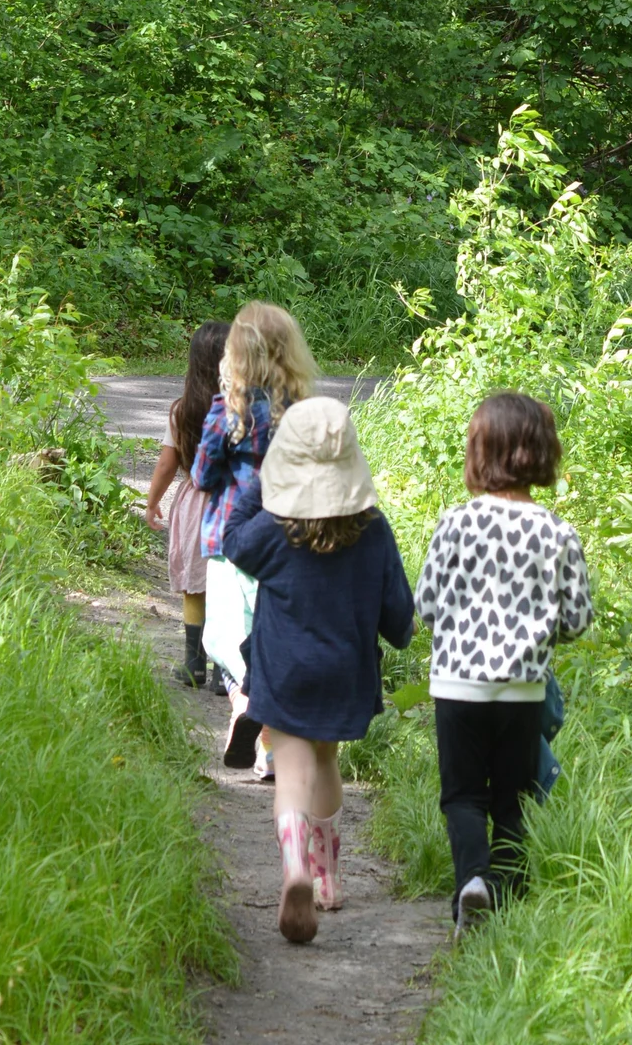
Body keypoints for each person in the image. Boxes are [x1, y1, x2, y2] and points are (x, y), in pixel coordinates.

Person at [223, 396, 415, 944]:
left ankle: (295, 870)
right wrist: (401, 631)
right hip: (346, 671)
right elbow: (398, 616)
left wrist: (262, 485)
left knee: (291, 767)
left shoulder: (276, 528)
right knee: (326, 763)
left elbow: (233, 542)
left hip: (284, 669)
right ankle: (329, 878)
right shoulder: (372, 529)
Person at [415, 391, 593, 936]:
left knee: (463, 796)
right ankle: (508, 909)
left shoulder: (454, 524)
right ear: (541, 454)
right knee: (514, 801)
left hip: (457, 686)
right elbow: (577, 619)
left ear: (478, 454)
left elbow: (424, 604)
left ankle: (472, 882)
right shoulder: (557, 533)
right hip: (521, 690)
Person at [190, 300, 316, 766]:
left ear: (235, 357)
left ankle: (246, 699)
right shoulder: (303, 412)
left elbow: (202, 475)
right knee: (271, 637)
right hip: (287, 539)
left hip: (229, 536)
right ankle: (269, 750)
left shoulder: (227, 409)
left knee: (224, 636)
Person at [143, 320, 230, 689]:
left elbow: (166, 464)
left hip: (195, 505)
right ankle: (223, 672)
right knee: (227, 585)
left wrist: (152, 503)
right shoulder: (239, 410)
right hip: (232, 503)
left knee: (196, 585)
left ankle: (194, 662)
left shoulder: (182, 410)